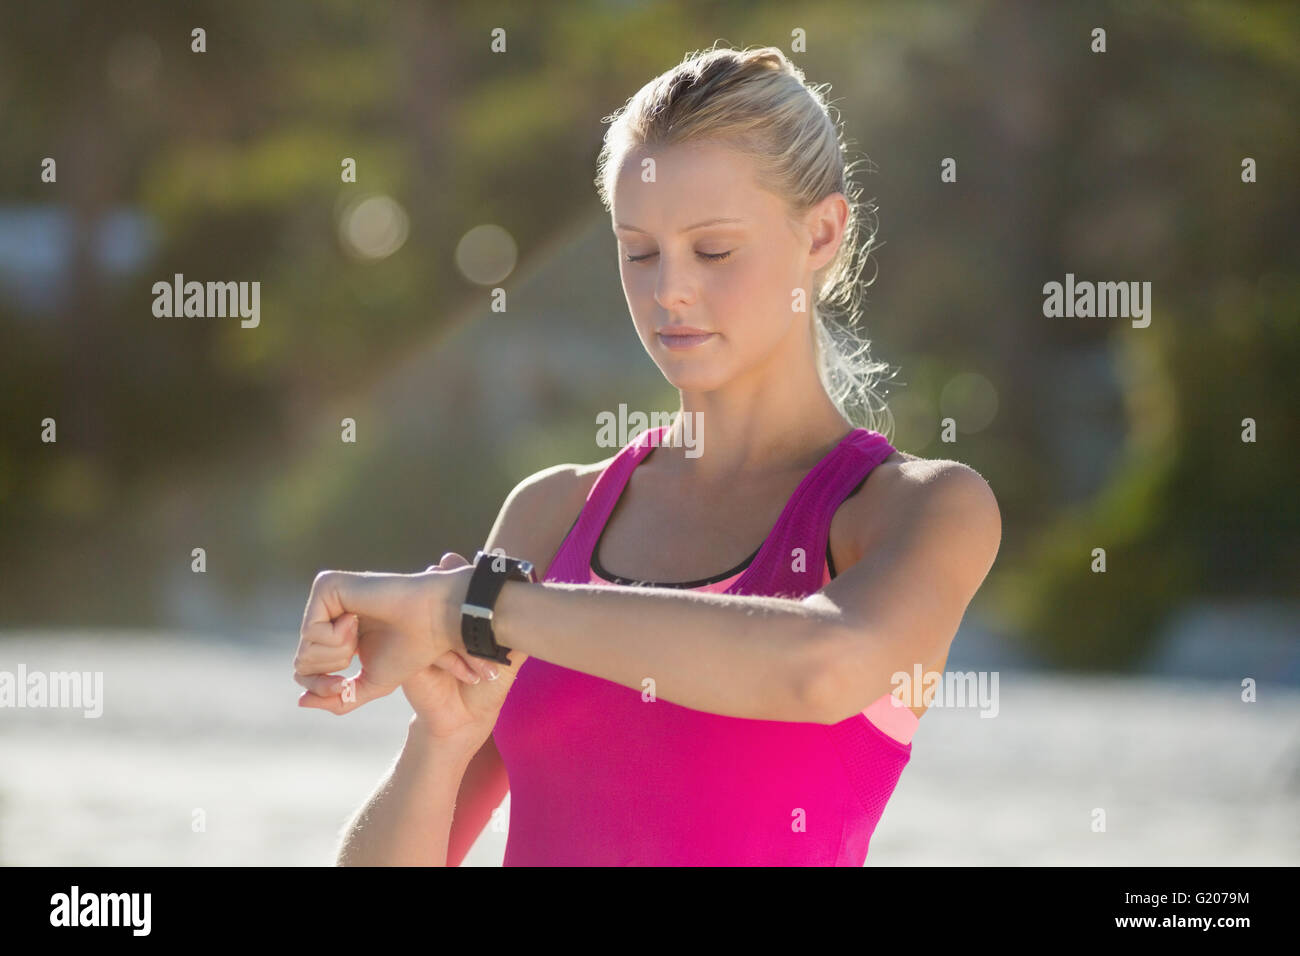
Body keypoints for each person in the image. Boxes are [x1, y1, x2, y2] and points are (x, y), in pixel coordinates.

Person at [292, 43, 1001, 866]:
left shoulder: (918, 509)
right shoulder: (550, 513)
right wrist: (440, 740)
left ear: (822, 232)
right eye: (638, 250)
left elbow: (823, 670)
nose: (669, 289)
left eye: (713, 250)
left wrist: (478, 608)